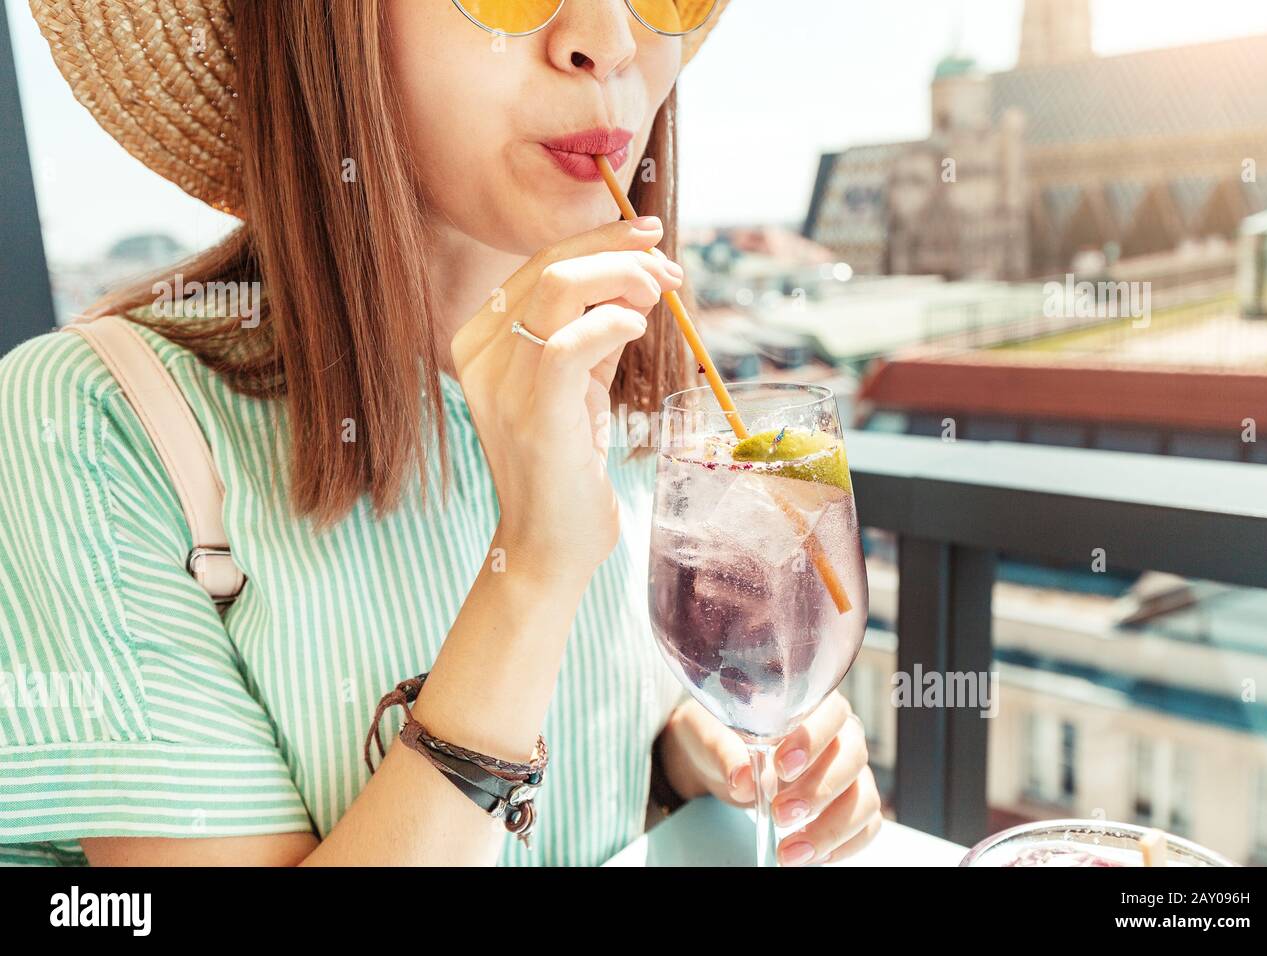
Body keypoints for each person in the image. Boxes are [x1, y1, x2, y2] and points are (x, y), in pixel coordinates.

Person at [0, 0, 880, 866]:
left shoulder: (636, 388)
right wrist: (533, 563)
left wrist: (685, 745)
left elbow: (588, 753)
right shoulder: (92, 422)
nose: (610, 41)